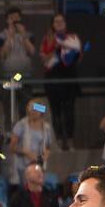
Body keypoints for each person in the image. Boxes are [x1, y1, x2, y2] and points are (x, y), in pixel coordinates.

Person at [38, 14, 81, 150]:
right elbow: (44, 59)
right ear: (52, 25)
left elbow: (78, 58)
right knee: (55, 112)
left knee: (69, 111)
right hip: (53, 79)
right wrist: (57, 47)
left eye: (61, 21)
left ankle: (69, 141)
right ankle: (57, 141)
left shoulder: (72, 37)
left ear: (65, 23)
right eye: (56, 21)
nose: (59, 23)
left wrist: (67, 48)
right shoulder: (48, 39)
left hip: (69, 78)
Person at [8, 99, 53, 187]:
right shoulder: (21, 125)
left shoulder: (46, 128)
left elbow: (48, 146)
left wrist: (46, 154)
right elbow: (12, 147)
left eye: (35, 109)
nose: (33, 112)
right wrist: (26, 152)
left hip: (39, 165)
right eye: (30, 109)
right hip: (23, 167)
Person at [0, 7, 36, 96]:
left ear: (20, 19)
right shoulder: (1, 36)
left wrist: (23, 35)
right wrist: (10, 36)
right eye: (11, 18)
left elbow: (32, 52)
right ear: (7, 20)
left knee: (27, 102)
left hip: (25, 75)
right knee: (8, 103)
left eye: (16, 18)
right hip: (8, 75)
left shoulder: (28, 35)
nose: (14, 21)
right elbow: (2, 54)